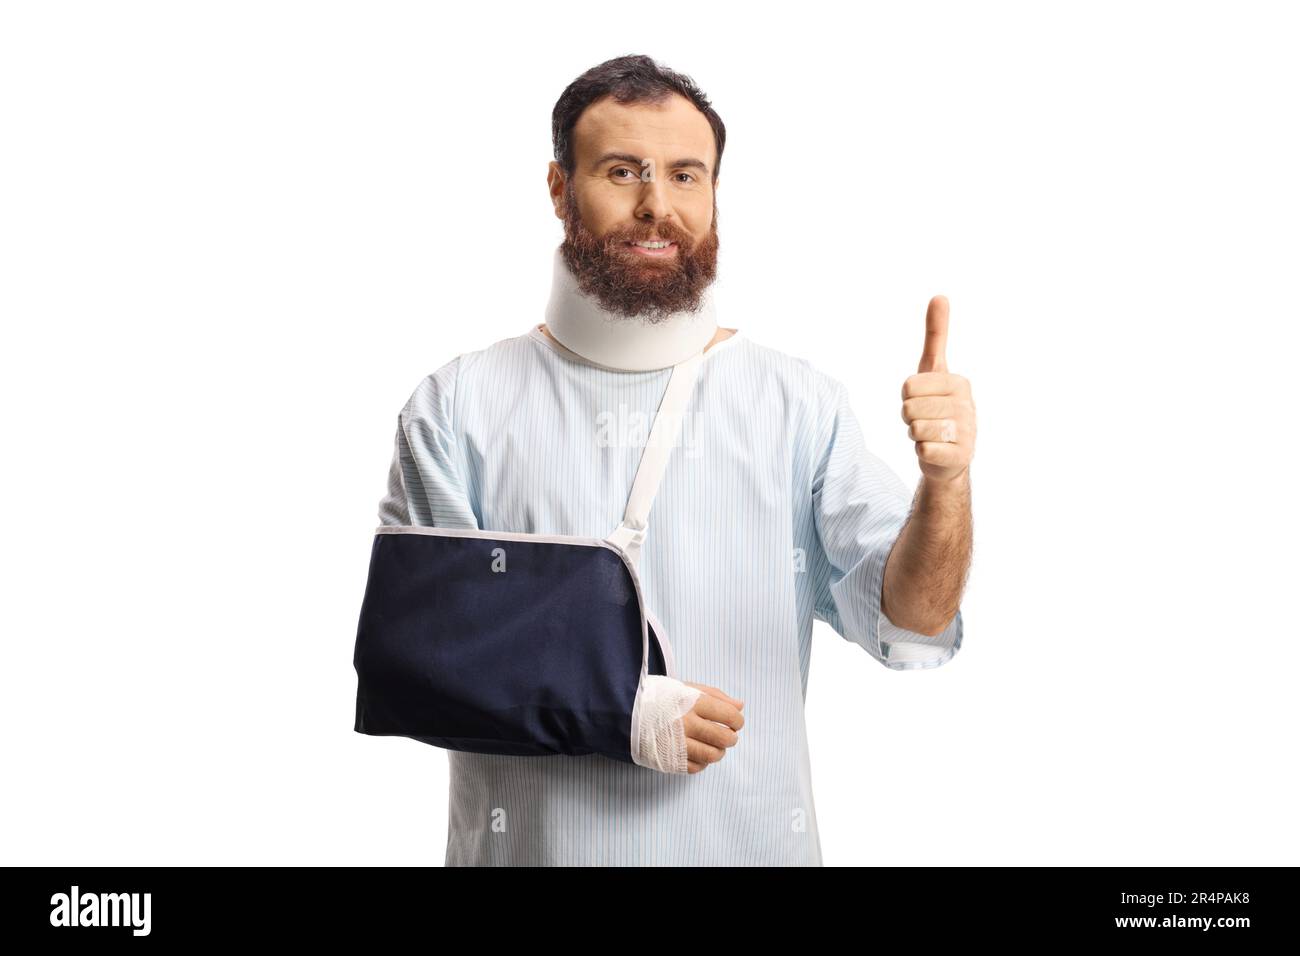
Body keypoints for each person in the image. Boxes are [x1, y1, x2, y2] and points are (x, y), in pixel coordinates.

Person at [374, 54, 975, 866]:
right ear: (559, 189)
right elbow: (416, 663)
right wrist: (616, 708)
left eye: (688, 176)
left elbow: (914, 625)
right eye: (623, 171)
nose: (658, 205)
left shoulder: (798, 405)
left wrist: (946, 486)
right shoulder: (458, 406)